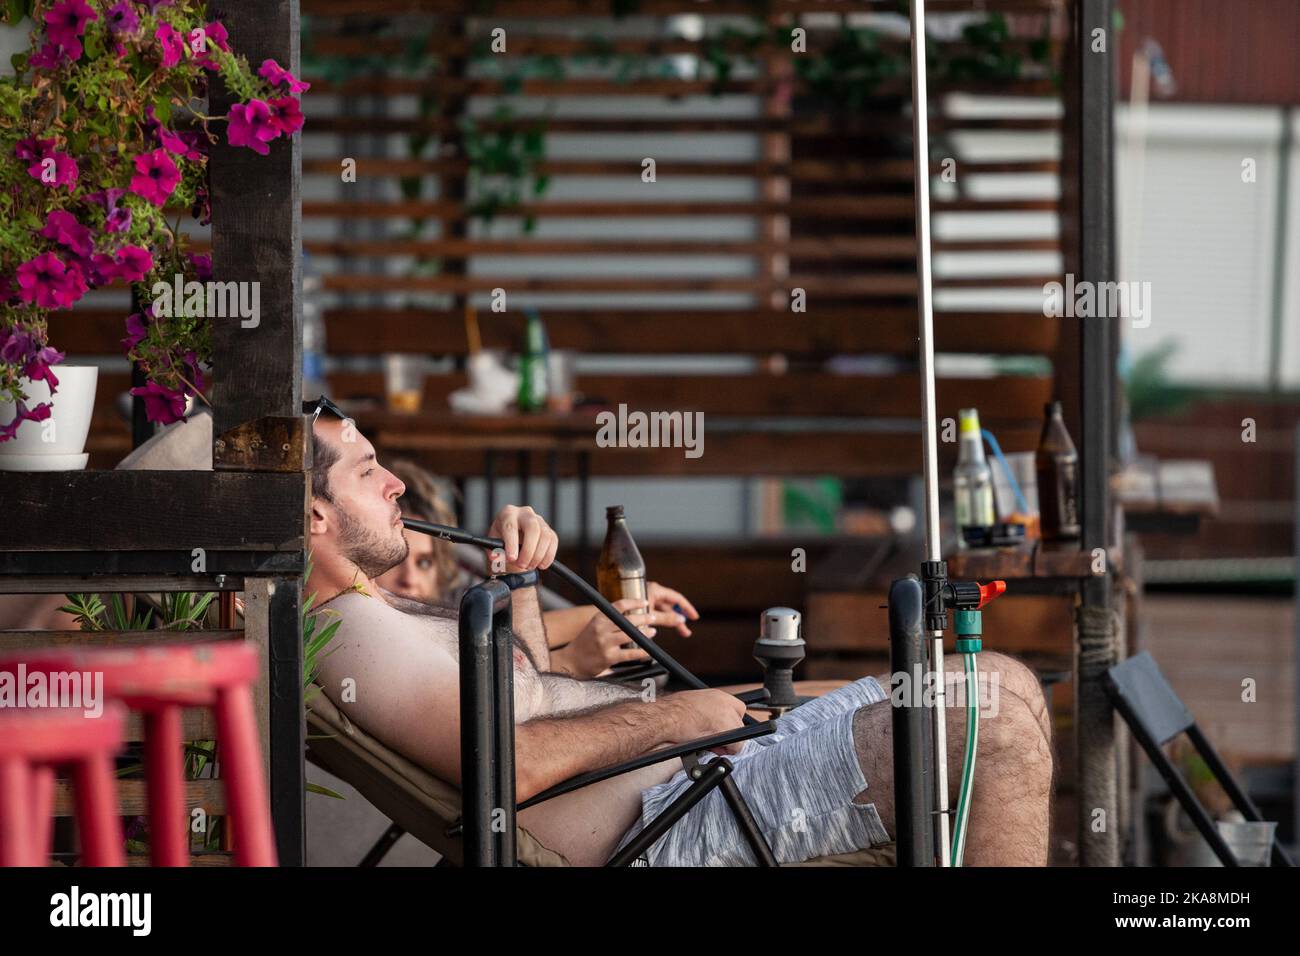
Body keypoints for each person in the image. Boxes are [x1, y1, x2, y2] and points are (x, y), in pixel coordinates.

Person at [306, 410, 1054, 866]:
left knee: (1002, 684)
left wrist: (519, 582)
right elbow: (508, 766)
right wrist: (678, 716)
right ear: (314, 517)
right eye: (369, 473)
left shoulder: (380, 613)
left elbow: (523, 692)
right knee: (992, 731)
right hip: (666, 823)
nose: (397, 483)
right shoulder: (349, 633)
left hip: (696, 776)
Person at [375, 457, 700, 680]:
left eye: (425, 561)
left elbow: (504, 634)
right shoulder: (387, 646)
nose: (410, 579)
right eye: (395, 561)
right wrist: (573, 663)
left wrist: (625, 609)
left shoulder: (452, 602)